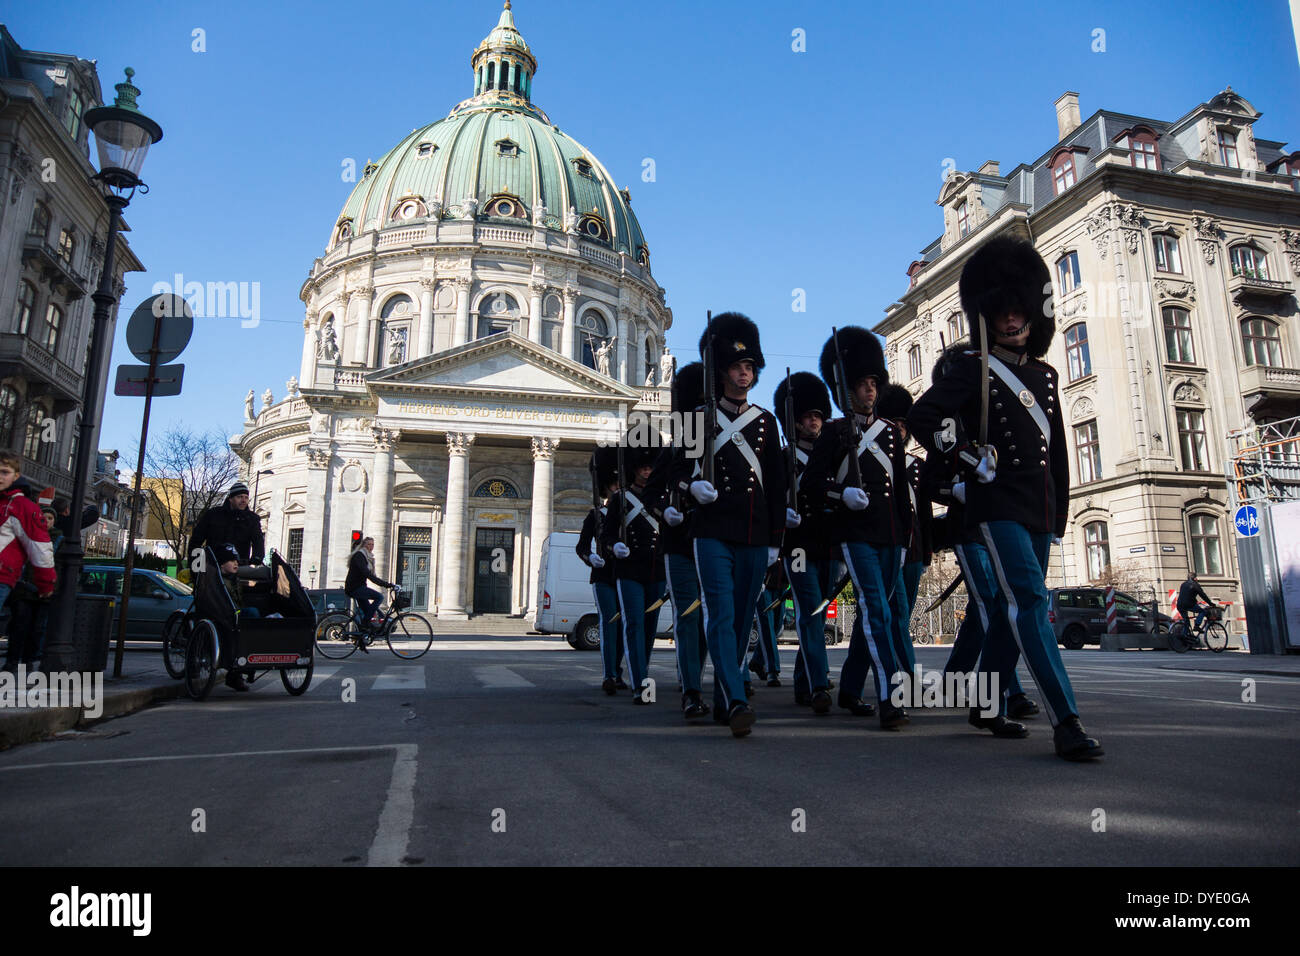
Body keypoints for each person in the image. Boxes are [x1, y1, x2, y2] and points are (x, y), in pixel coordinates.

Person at [908, 235, 1102, 761]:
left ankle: (986, 702)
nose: (1012, 319)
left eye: (1019, 310)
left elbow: (1056, 450)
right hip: (994, 504)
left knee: (1014, 608)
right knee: (1031, 603)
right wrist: (967, 455)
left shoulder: (1045, 374)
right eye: (1001, 311)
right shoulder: (974, 366)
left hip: (1036, 504)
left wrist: (1059, 512)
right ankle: (1067, 719)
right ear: (986, 314)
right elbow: (923, 419)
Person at [669, 313, 787, 737]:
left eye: (751, 367)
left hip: (755, 533)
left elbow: (777, 484)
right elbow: (675, 469)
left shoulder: (767, 422)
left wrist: (776, 540)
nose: (745, 372)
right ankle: (736, 696)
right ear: (721, 372)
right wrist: (690, 486)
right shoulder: (698, 419)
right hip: (712, 530)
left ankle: (724, 695)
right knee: (719, 613)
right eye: (738, 366)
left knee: (741, 621)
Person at [803, 327, 913, 730]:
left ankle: (850, 686)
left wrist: (905, 539)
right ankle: (890, 696)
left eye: (873, 383)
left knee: (880, 612)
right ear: (847, 388)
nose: (870, 390)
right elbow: (812, 485)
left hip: (889, 535)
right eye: (863, 384)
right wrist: (841, 495)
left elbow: (900, 490)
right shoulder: (833, 432)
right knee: (876, 610)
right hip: (854, 534)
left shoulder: (890, 434)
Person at [774, 371, 838, 714]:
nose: (814, 423)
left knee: (818, 614)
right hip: (797, 543)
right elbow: (773, 499)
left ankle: (803, 680)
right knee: (810, 611)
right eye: (808, 418)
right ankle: (817, 683)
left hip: (829, 542)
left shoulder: (834, 455)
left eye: (817, 417)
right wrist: (783, 514)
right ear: (795, 422)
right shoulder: (785, 457)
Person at [651, 362, 712, 719]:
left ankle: (712, 678)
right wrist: (665, 512)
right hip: (681, 543)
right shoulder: (674, 453)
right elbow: (654, 493)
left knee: (713, 615)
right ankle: (691, 688)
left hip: (719, 540)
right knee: (689, 615)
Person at [601, 446, 666, 703]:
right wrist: (613, 545)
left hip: (656, 568)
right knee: (634, 624)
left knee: (650, 629)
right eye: (643, 467)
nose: (647, 472)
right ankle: (640, 683)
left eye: (650, 467)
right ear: (635, 469)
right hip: (629, 569)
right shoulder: (621, 498)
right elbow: (607, 533)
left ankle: (641, 671)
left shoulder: (663, 496)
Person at [0, 451, 55, 672]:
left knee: (25, 625)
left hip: (3, 575)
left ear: (16, 476)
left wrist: (45, 585)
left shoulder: (22, 507)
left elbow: (40, 548)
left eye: (4, 472)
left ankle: (20, 661)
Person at [577, 446, 626, 694]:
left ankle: (618, 671)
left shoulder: (631, 514)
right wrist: (591, 557)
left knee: (625, 625)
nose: (617, 489)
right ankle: (609, 674)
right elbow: (581, 547)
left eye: (620, 485)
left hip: (627, 575)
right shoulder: (595, 515)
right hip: (604, 575)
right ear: (607, 488)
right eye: (614, 486)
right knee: (609, 622)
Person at [186, 480, 265, 575]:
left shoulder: (252, 519)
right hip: (212, 568)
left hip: (239, 569)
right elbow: (196, 541)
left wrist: (256, 560)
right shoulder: (213, 515)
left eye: (246, 497)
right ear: (230, 499)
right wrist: (196, 568)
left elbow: (258, 542)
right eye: (239, 497)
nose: (243, 500)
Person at [345, 536, 394, 652]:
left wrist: (385, 584)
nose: (371, 547)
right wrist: (385, 584)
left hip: (360, 587)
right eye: (368, 545)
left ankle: (361, 641)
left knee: (367, 612)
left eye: (372, 545)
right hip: (354, 588)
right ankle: (365, 623)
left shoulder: (368, 557)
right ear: (363, 545)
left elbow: (371, 575)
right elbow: (368, 574)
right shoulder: (360, 556)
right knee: (379, 597)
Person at [1176, 571, 1218, 635]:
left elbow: (1186, 594)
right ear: (1195, 578)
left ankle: (1184, 637)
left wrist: (1195, 601)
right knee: (1203, 612)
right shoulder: (1195, 585)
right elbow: (1203, 595)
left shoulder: (1183, 584)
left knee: (1186, 622)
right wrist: (1210, 603)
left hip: (1179, 605)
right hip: (1188, 604)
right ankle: (1196, 626)